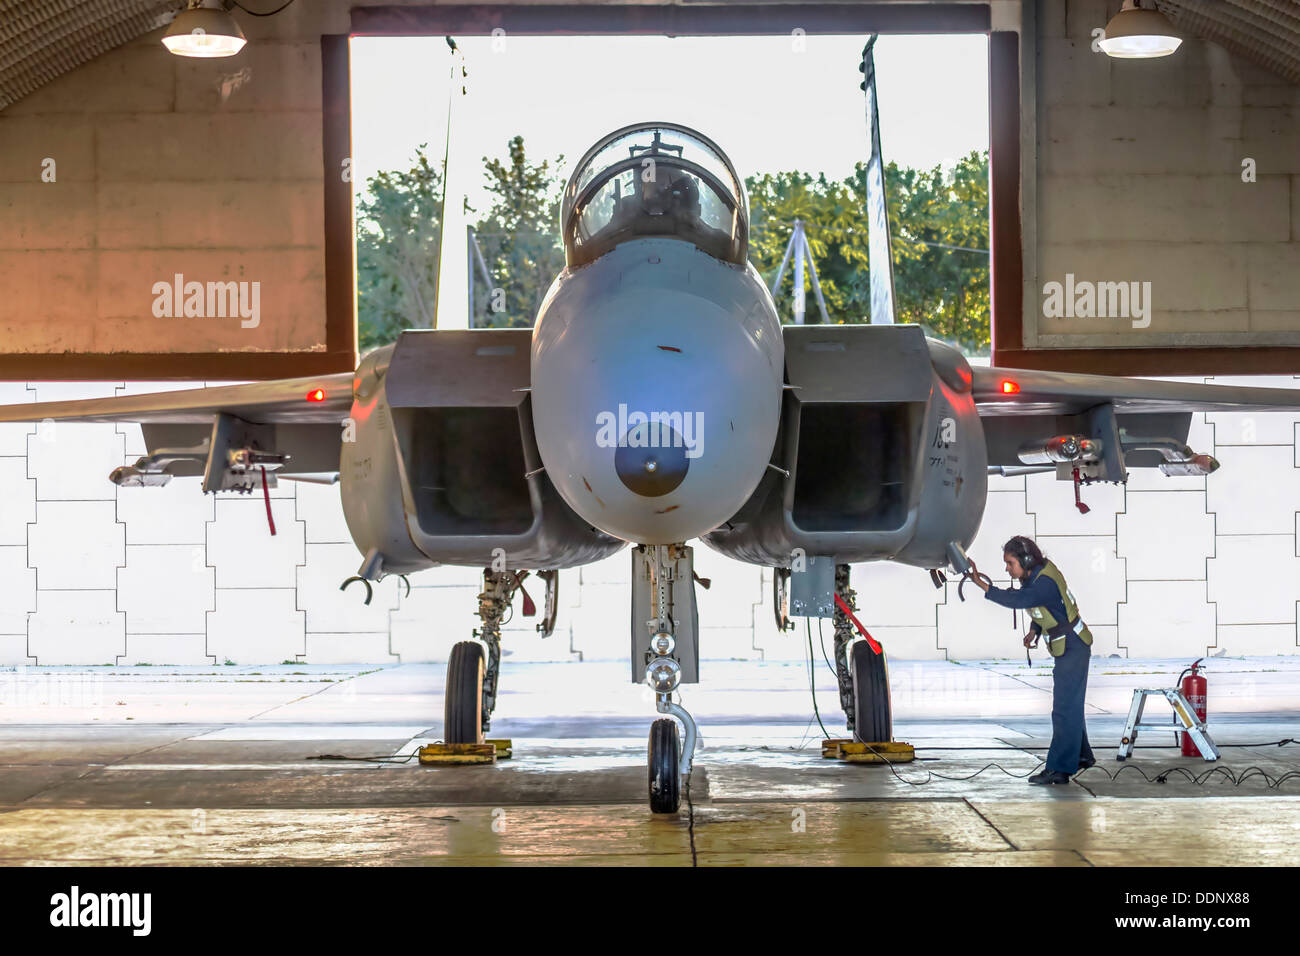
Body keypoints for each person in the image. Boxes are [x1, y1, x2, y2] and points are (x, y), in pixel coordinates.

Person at [968, 536, 1096, 785]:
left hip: (1073, 647)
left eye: (1009, 563)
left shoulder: (1043, 582)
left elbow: (1019, 601)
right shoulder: (1037, 575)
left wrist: (981, 584)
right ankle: (1081, 756)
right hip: (1070, 645)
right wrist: (1035, 630)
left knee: (1063, 709)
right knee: (1070, 706)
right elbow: (1046, 608)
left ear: (1025, 560)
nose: (1007, 568)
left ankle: (1060, 769)